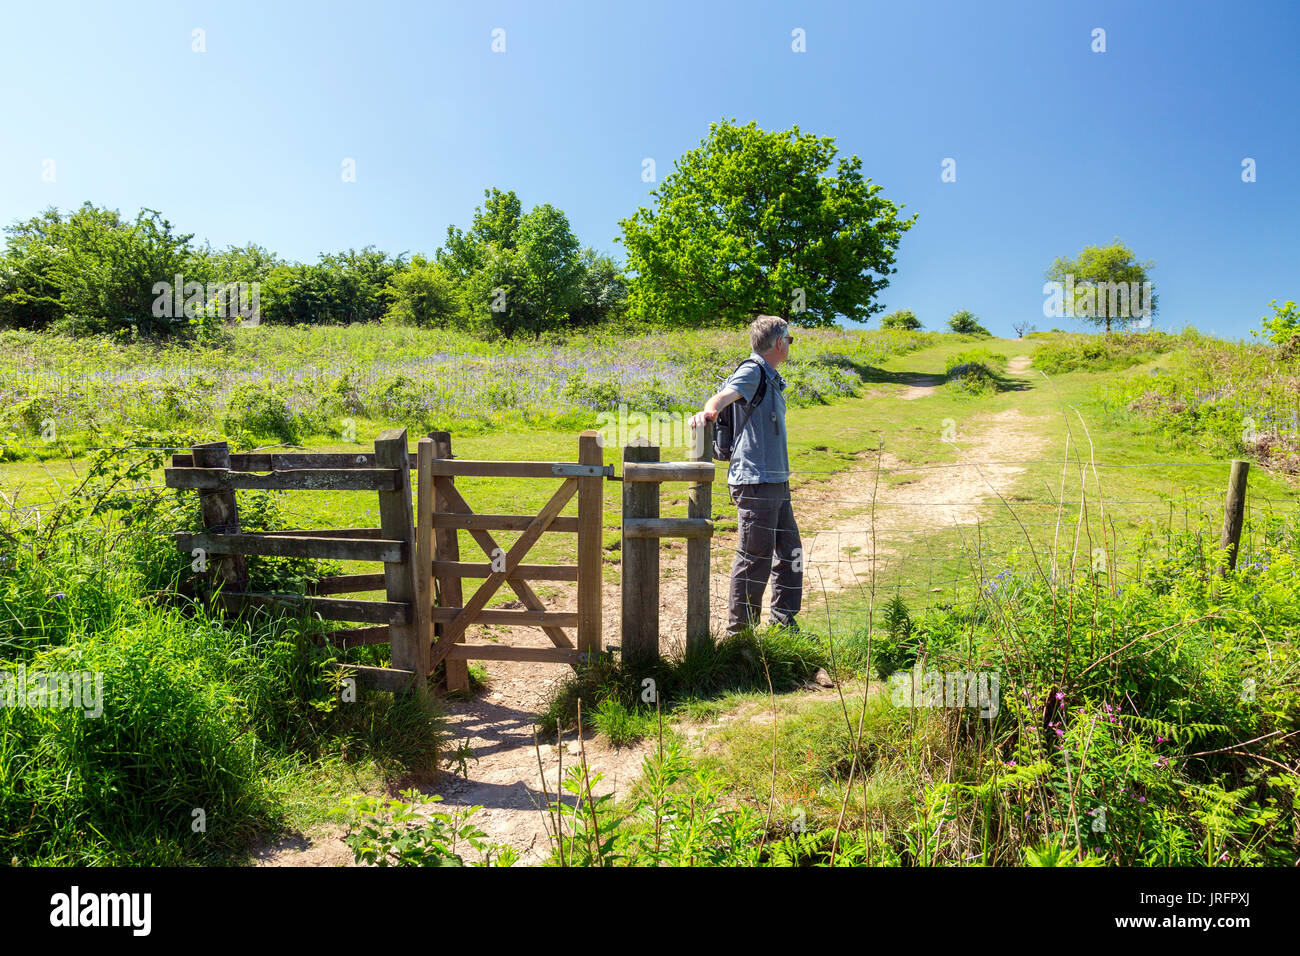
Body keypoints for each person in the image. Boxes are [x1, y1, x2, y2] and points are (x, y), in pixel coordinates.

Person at [689, 315, 802, 635]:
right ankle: (740, 635)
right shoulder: (753, 370)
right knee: (755, 557)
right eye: (789, 340)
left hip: (776, 480)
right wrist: (708, 411)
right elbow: (723, 396)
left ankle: (784, 624)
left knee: (791, 552)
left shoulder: (770, 376)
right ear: (779, 342)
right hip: (755, 480)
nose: (790, 346)